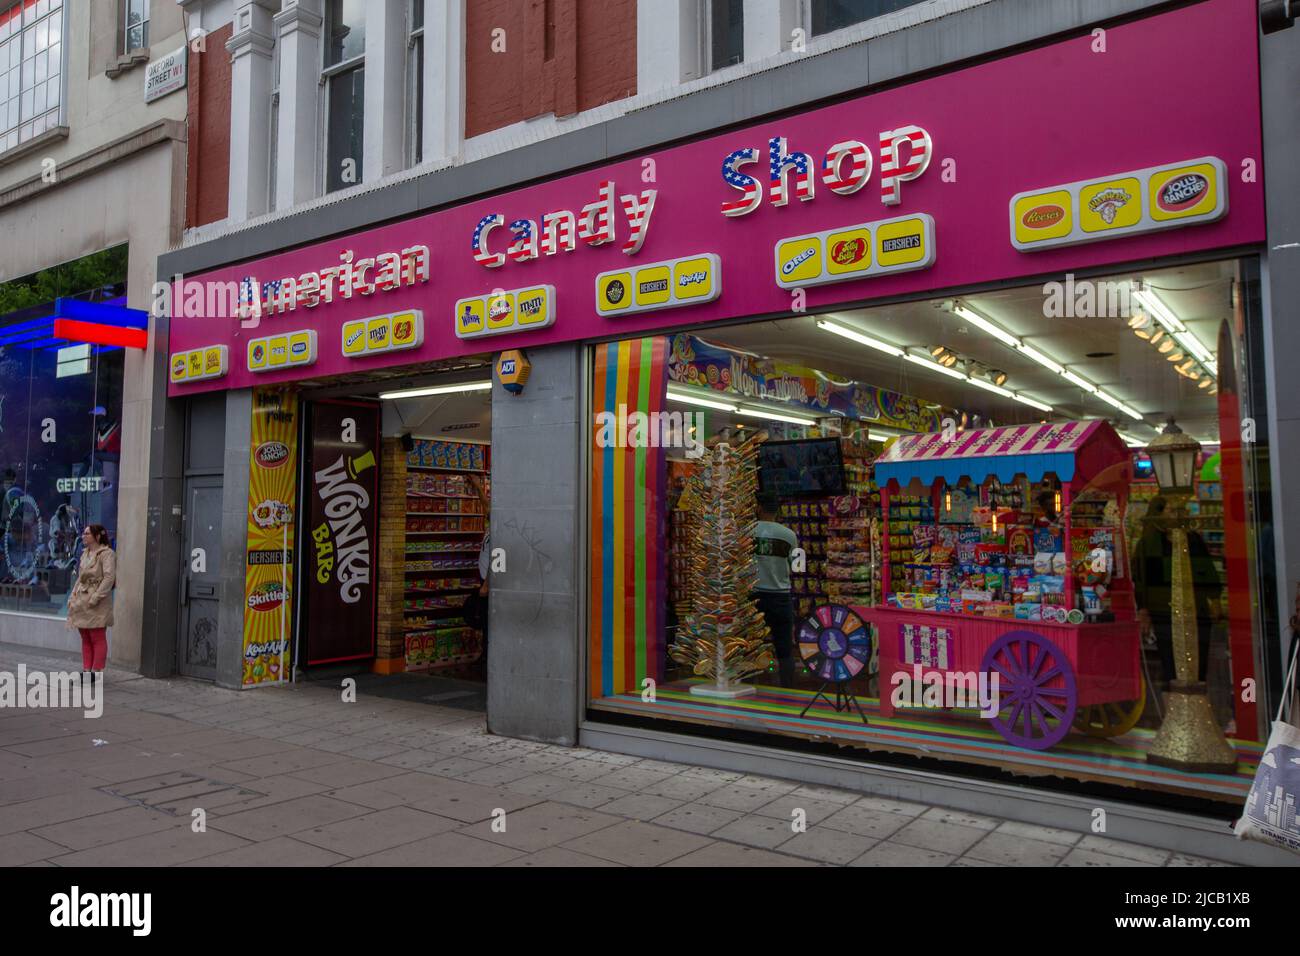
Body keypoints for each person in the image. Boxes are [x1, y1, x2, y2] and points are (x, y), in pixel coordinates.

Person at [1131, 496, 1219, 686]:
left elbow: (1207, 572)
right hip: (1164, 613)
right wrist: (1143, 610)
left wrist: (1215, 599)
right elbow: (1141, 580)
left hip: (1197, 612)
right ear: (1158, 514)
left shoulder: (1193, 540)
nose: (1178, 515)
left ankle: (1196, 701)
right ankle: (1176, 704)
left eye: (1180, 510)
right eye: (1171, 511)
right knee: (1170, 661)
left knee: (1198, 660)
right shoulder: (1148, 544)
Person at [753, 494, 799, 688]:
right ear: (777, 510)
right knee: (784, 646)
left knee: (751, 643)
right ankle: (787, 687)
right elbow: (797, 566)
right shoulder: (789, 535)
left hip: (754, 597)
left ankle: (750, 683)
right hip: (780, 596)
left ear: (758, 508)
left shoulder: (748, 532)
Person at [65, 524, 115, 689]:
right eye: (84, 533)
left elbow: (109, 578)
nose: (83, 536)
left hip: (96, 600)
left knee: (97, 635)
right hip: (82, 599)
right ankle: (87, 671)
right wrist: (72, 595)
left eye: (87, 533)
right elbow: (80, 578)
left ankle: (96, 672)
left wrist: (96, 597)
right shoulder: (85, 554)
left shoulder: (107, 554)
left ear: (97, 536)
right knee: (85, 635)